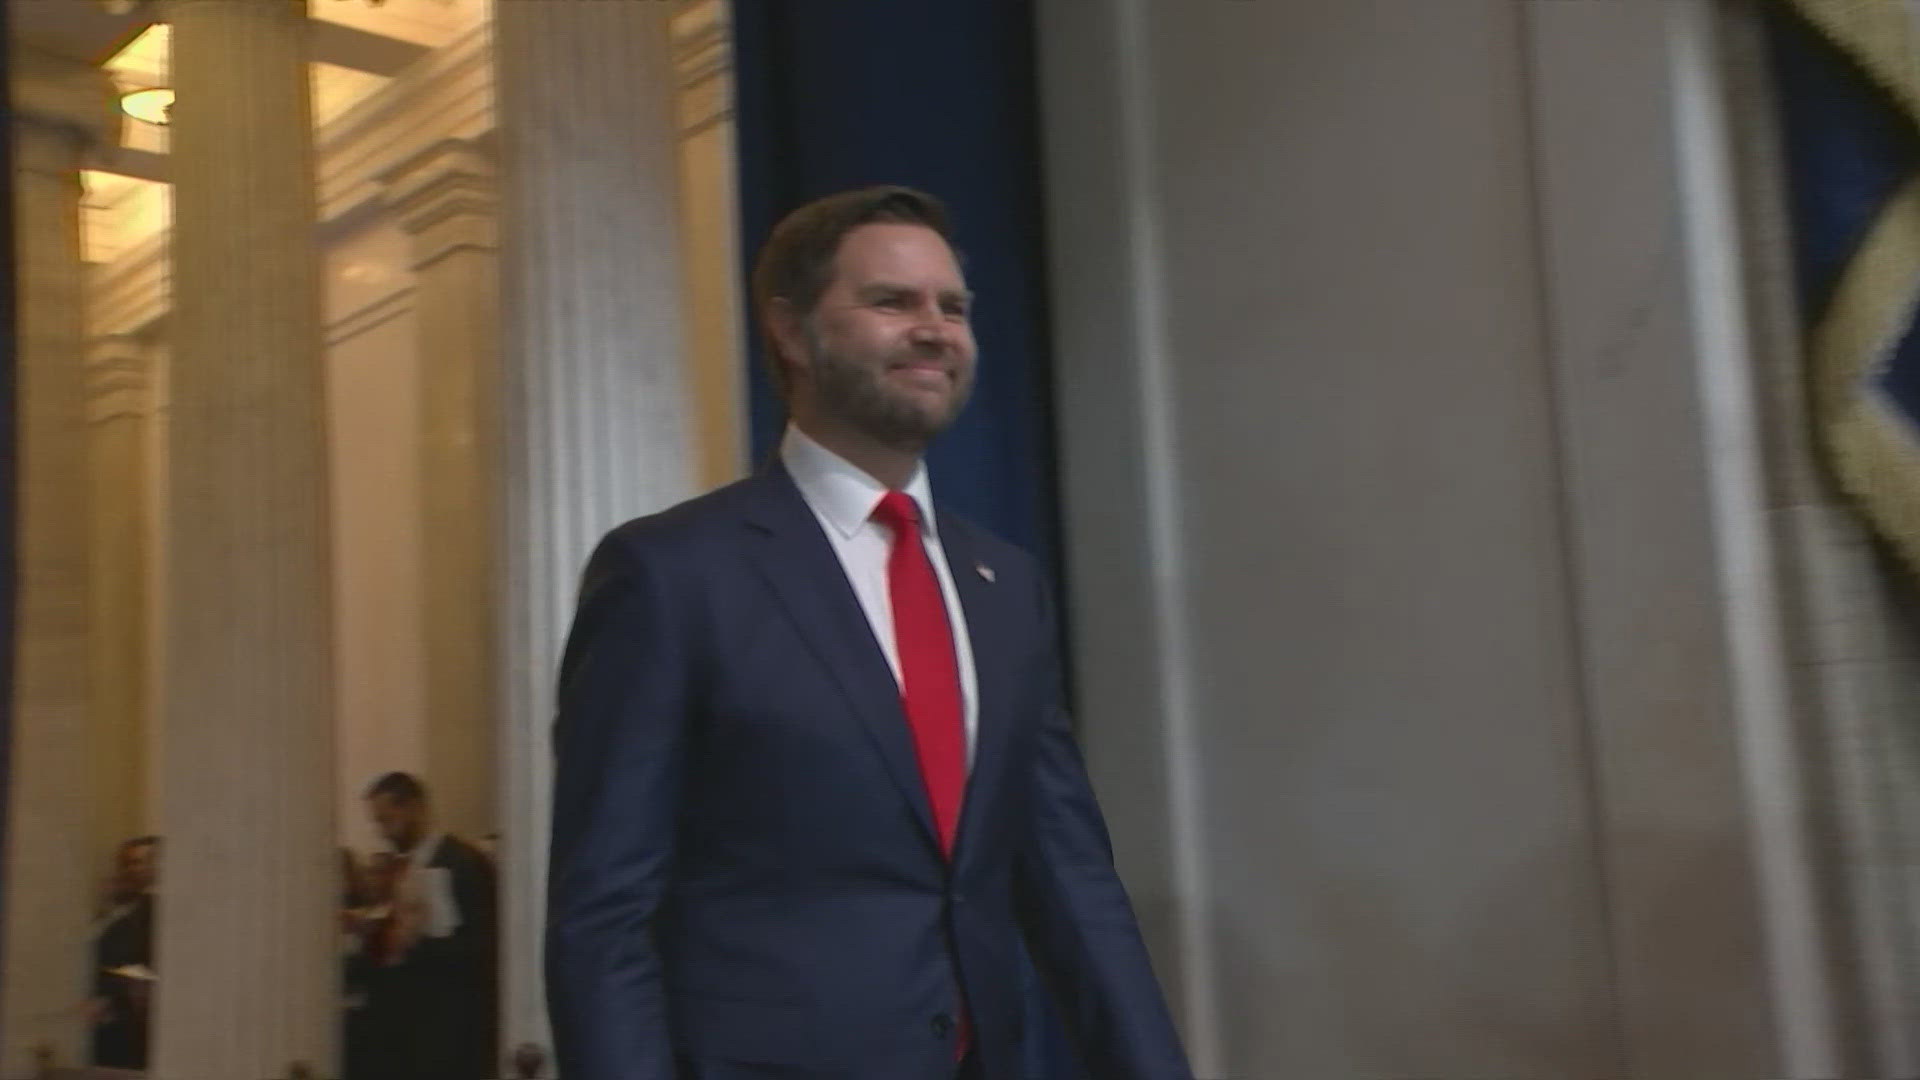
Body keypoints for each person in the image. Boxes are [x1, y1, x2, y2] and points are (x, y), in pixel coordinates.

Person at [547, 186, 1194, 1079]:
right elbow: (602, 913)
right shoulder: (670, 575)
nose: (935, 328)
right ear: (789, 332)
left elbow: (1069, 877)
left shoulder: (1005, 585)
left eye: (954, 307)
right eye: (893, 302)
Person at [362, 772, 499, 1080]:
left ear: (414, 808)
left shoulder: (461, 863)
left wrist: (412, 945)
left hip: (451, 1025)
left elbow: (481, 946)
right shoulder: (402, 867)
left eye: (386, 820)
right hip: (412, 1025)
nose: (382, 831)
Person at [91, 836, 158, 1070]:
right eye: (128, 863)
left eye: (142, 862)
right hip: (109, 1026)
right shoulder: (117, 913)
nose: (134, 869)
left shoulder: (155, 915)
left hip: (140, 1027)